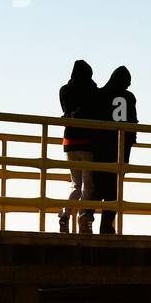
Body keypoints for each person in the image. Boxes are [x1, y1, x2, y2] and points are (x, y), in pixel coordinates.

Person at [90, 65, 138, 235]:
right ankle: (107, 225)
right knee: (114, 188)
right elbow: (133, 122)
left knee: (96, 185)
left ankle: (87, 219)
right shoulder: (129, 97)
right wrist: (131, 142)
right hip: (122, 146)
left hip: (102, 146)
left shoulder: (101, 94)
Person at [58, 60, 98, 234]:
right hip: (87, 143)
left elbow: (68, 113)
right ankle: (83, 220)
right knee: (87, 185)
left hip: (69, 142)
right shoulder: (91, 91)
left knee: (75, 185)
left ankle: (65, 215)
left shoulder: (64, 90)